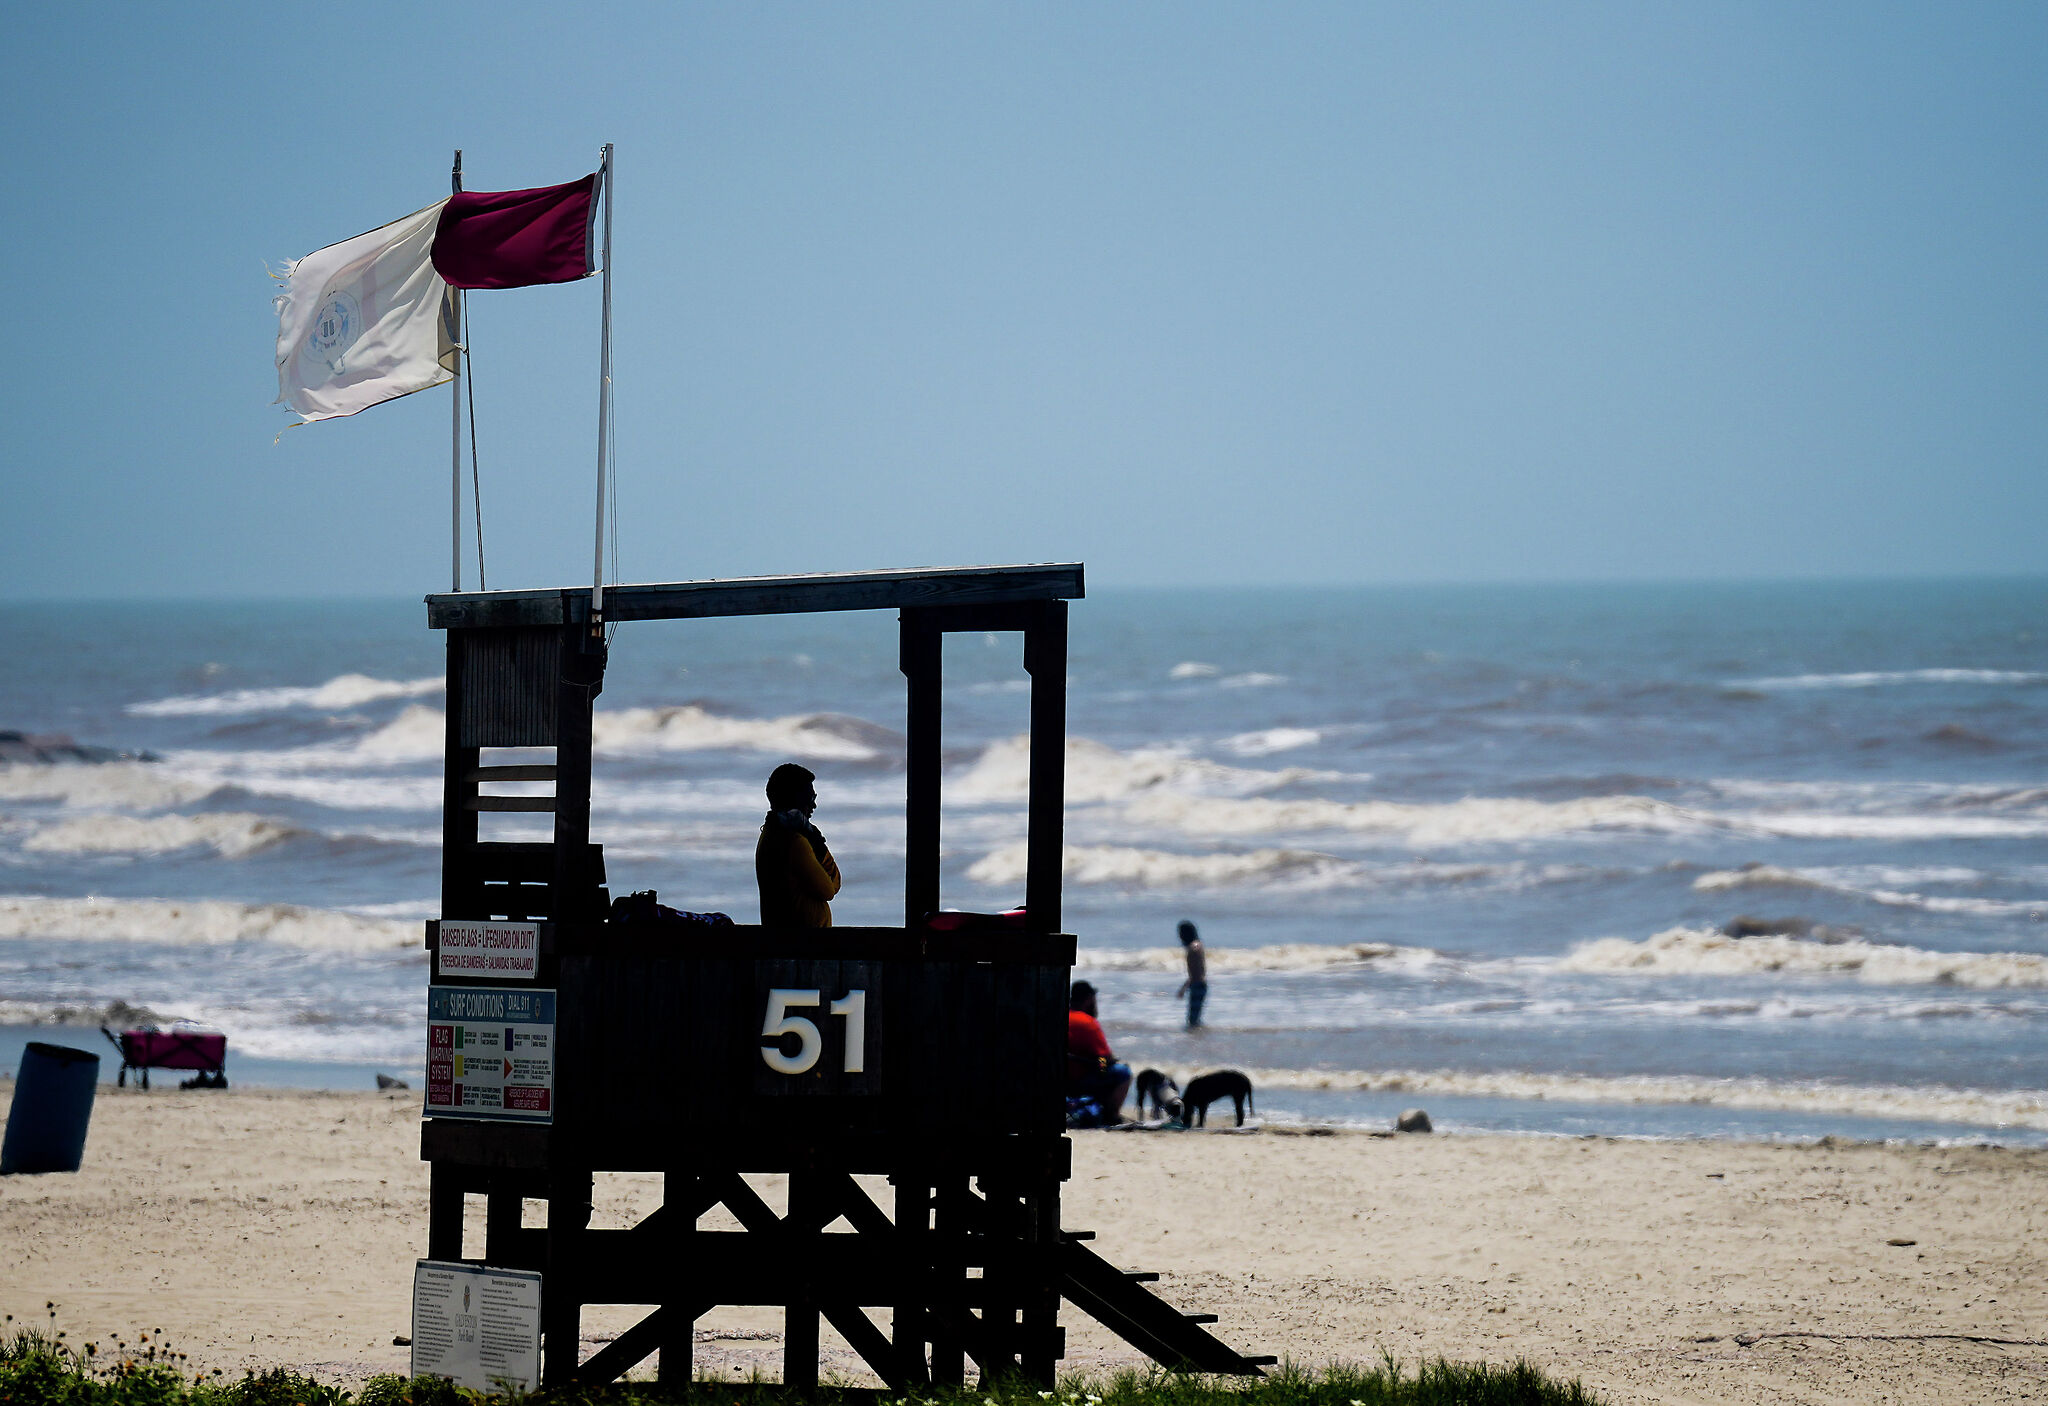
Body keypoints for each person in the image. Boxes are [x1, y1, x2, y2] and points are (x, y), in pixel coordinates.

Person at [756, 763, 841, 927]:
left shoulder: (769, 835)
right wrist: (815, 839)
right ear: (795, 799)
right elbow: (829, 890)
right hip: (802, 943)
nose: (814, 805)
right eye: (810, 798)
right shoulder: (795, 842)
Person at [1065, 980, 1131, 1124]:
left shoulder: (1059, 1017)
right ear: (1089, 999)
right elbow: (1104, 1057)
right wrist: (1104, 1068)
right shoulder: (1087, 1022)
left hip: (1061, 1079)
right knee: (1123, 1071)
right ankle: (1111, 1115)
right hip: (1081, 1080)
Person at [1175, 920, 1208, 1029]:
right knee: (1194, 1017)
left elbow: (1195, 972)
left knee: (1192, 1020)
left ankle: (1196, 1037)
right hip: (1199, 984)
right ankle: (1196, 1036)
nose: (1179, 935)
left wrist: (1184, 988)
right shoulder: (1198, 945)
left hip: (1197, 984)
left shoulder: (1193, 948)